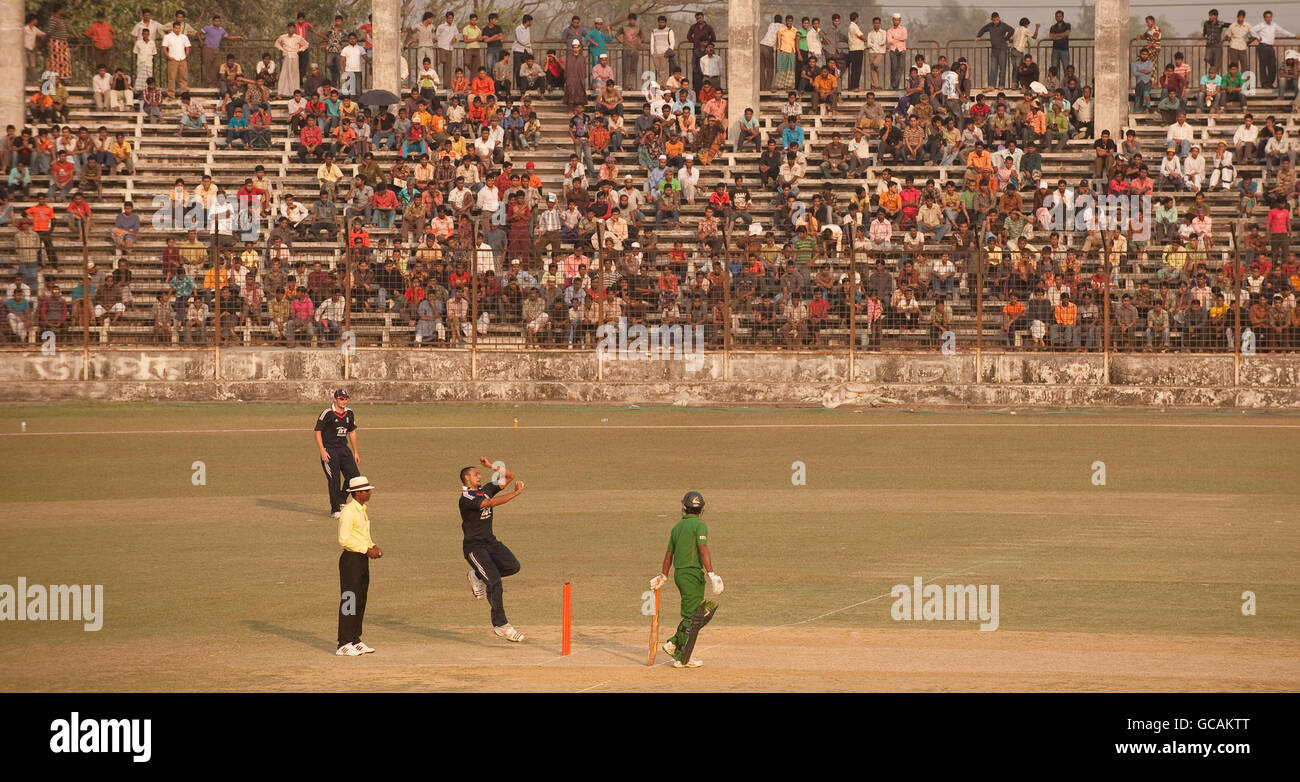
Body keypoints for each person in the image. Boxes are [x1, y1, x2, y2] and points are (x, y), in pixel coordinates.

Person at [649, 491, 723, 669]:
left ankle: (680, 654)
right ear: (702, 509)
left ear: (684, 507)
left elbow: (669, 555)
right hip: (691, 574)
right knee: (695, 616)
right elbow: (703, 549)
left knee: (695, 614)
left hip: (680, 574)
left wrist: (664, 576)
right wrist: (712, 573)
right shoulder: (699, 525)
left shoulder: (676, 528)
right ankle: (675, 645)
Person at [459, 457, 528, 643]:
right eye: (476, 474)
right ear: (467, 479)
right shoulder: (466, 499)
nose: (479, 476)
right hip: (474, 548)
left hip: (491, 542)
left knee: (513, 566)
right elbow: (489, 504)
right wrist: (516, 494)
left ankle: (476, 575)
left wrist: (491, 466)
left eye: (480, 473)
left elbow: (509, 476)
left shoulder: (485, 490)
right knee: (495, 582)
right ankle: (501, 625)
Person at [336, 475, 381, 657]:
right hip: (350, 560)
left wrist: (372, 546)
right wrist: (366, 549)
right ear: (357, 493)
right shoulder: (348, 511)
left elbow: (361, 534)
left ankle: (355, 639)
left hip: (361, 559)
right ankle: (343, 643)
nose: (369, 492)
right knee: (349, 601)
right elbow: (344, 540)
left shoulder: (361, 509)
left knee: (360, 600)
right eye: (366, 490)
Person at [315, 389, 361, 519]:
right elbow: (317, 431)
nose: (344, 401)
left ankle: (341, 499)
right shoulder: (327, 413)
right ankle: (335, 509)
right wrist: (322, 450)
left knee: (354, 477)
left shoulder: (350, 413)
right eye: (341, 399)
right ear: (335, 399)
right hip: (329, 450)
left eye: (346, 399)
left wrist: (355, 451)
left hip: (343, 449)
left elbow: (352, 432)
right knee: (334, 479)